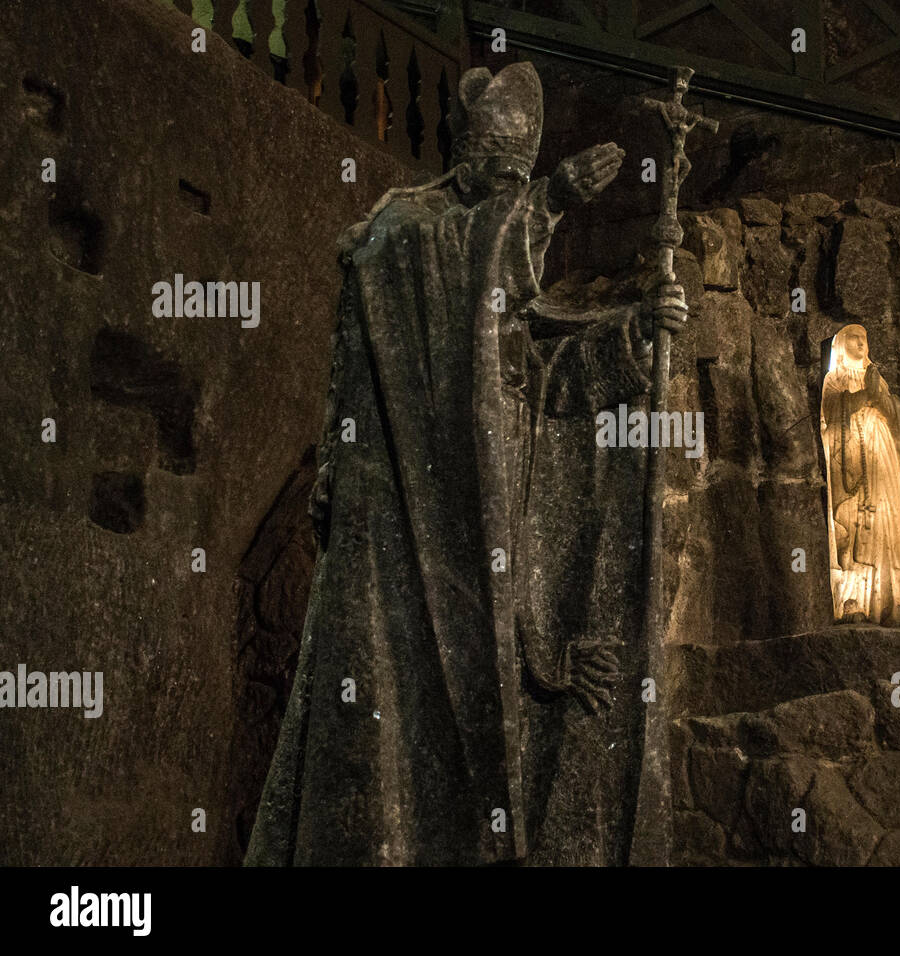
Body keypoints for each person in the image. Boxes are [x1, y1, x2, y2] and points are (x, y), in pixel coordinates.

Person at [246, 62, 686, 866]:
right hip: (395, 527)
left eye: (521, 183)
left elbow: (533, 381)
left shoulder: (482, 262)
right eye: (503, 180)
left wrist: (636, 335)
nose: (511, 198)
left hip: (477, 532)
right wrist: (548, 201)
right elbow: (442, 264)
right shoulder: (402, 235)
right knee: (382, 738)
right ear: (467, 158)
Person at [821, 324, 900, 625]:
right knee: (855, 525)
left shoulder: (877, 378)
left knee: (886, 523)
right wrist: (863, 396)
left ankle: (892, 602)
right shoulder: (834, 379)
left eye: (864, 339)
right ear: (841, 345)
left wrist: (880, 397)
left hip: (882, 453)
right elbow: (830, 411)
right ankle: (853, 600)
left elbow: (894, 415)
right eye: (853, 338)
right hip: (851, 459)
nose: (860, 343)